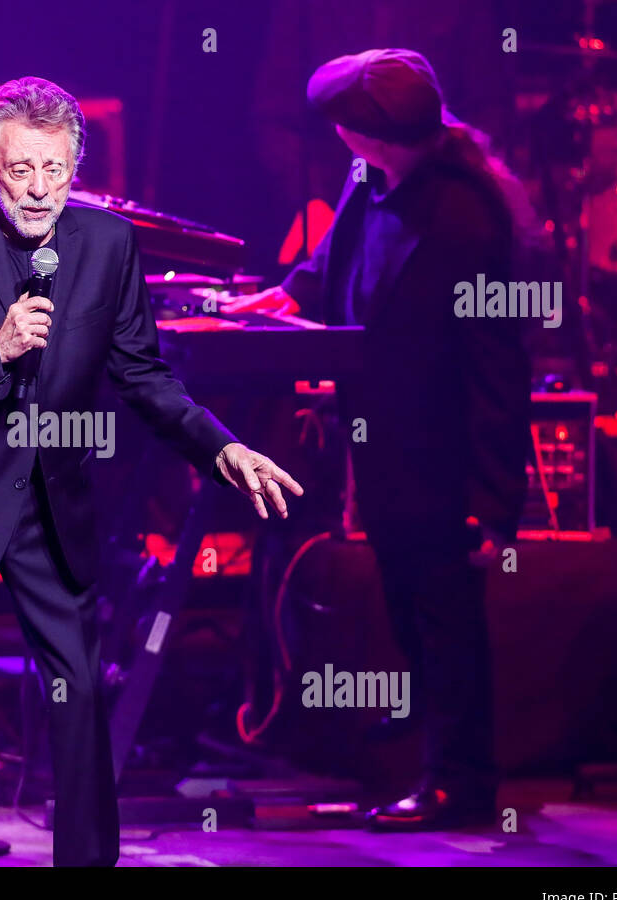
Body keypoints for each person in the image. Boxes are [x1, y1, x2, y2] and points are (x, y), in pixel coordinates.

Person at [0, 76, 304, 866]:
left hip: (53, 510)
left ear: (75, 168)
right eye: (21, 171)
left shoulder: (108, 245)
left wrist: (223, 447)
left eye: (56, 171)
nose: (39, 190)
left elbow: (145, 377)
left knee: (79, 701)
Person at [226, 49, 532, 830]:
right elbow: (330, 265)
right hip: (388, 446)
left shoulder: (463, 220)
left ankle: (461, 784)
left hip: (444, 455)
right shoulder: (369, 180)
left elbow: (499, 369)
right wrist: (279, 296)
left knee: (445, 616)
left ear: (371, 137)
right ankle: (432, 758)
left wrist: (492, 504)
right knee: (409, 606)